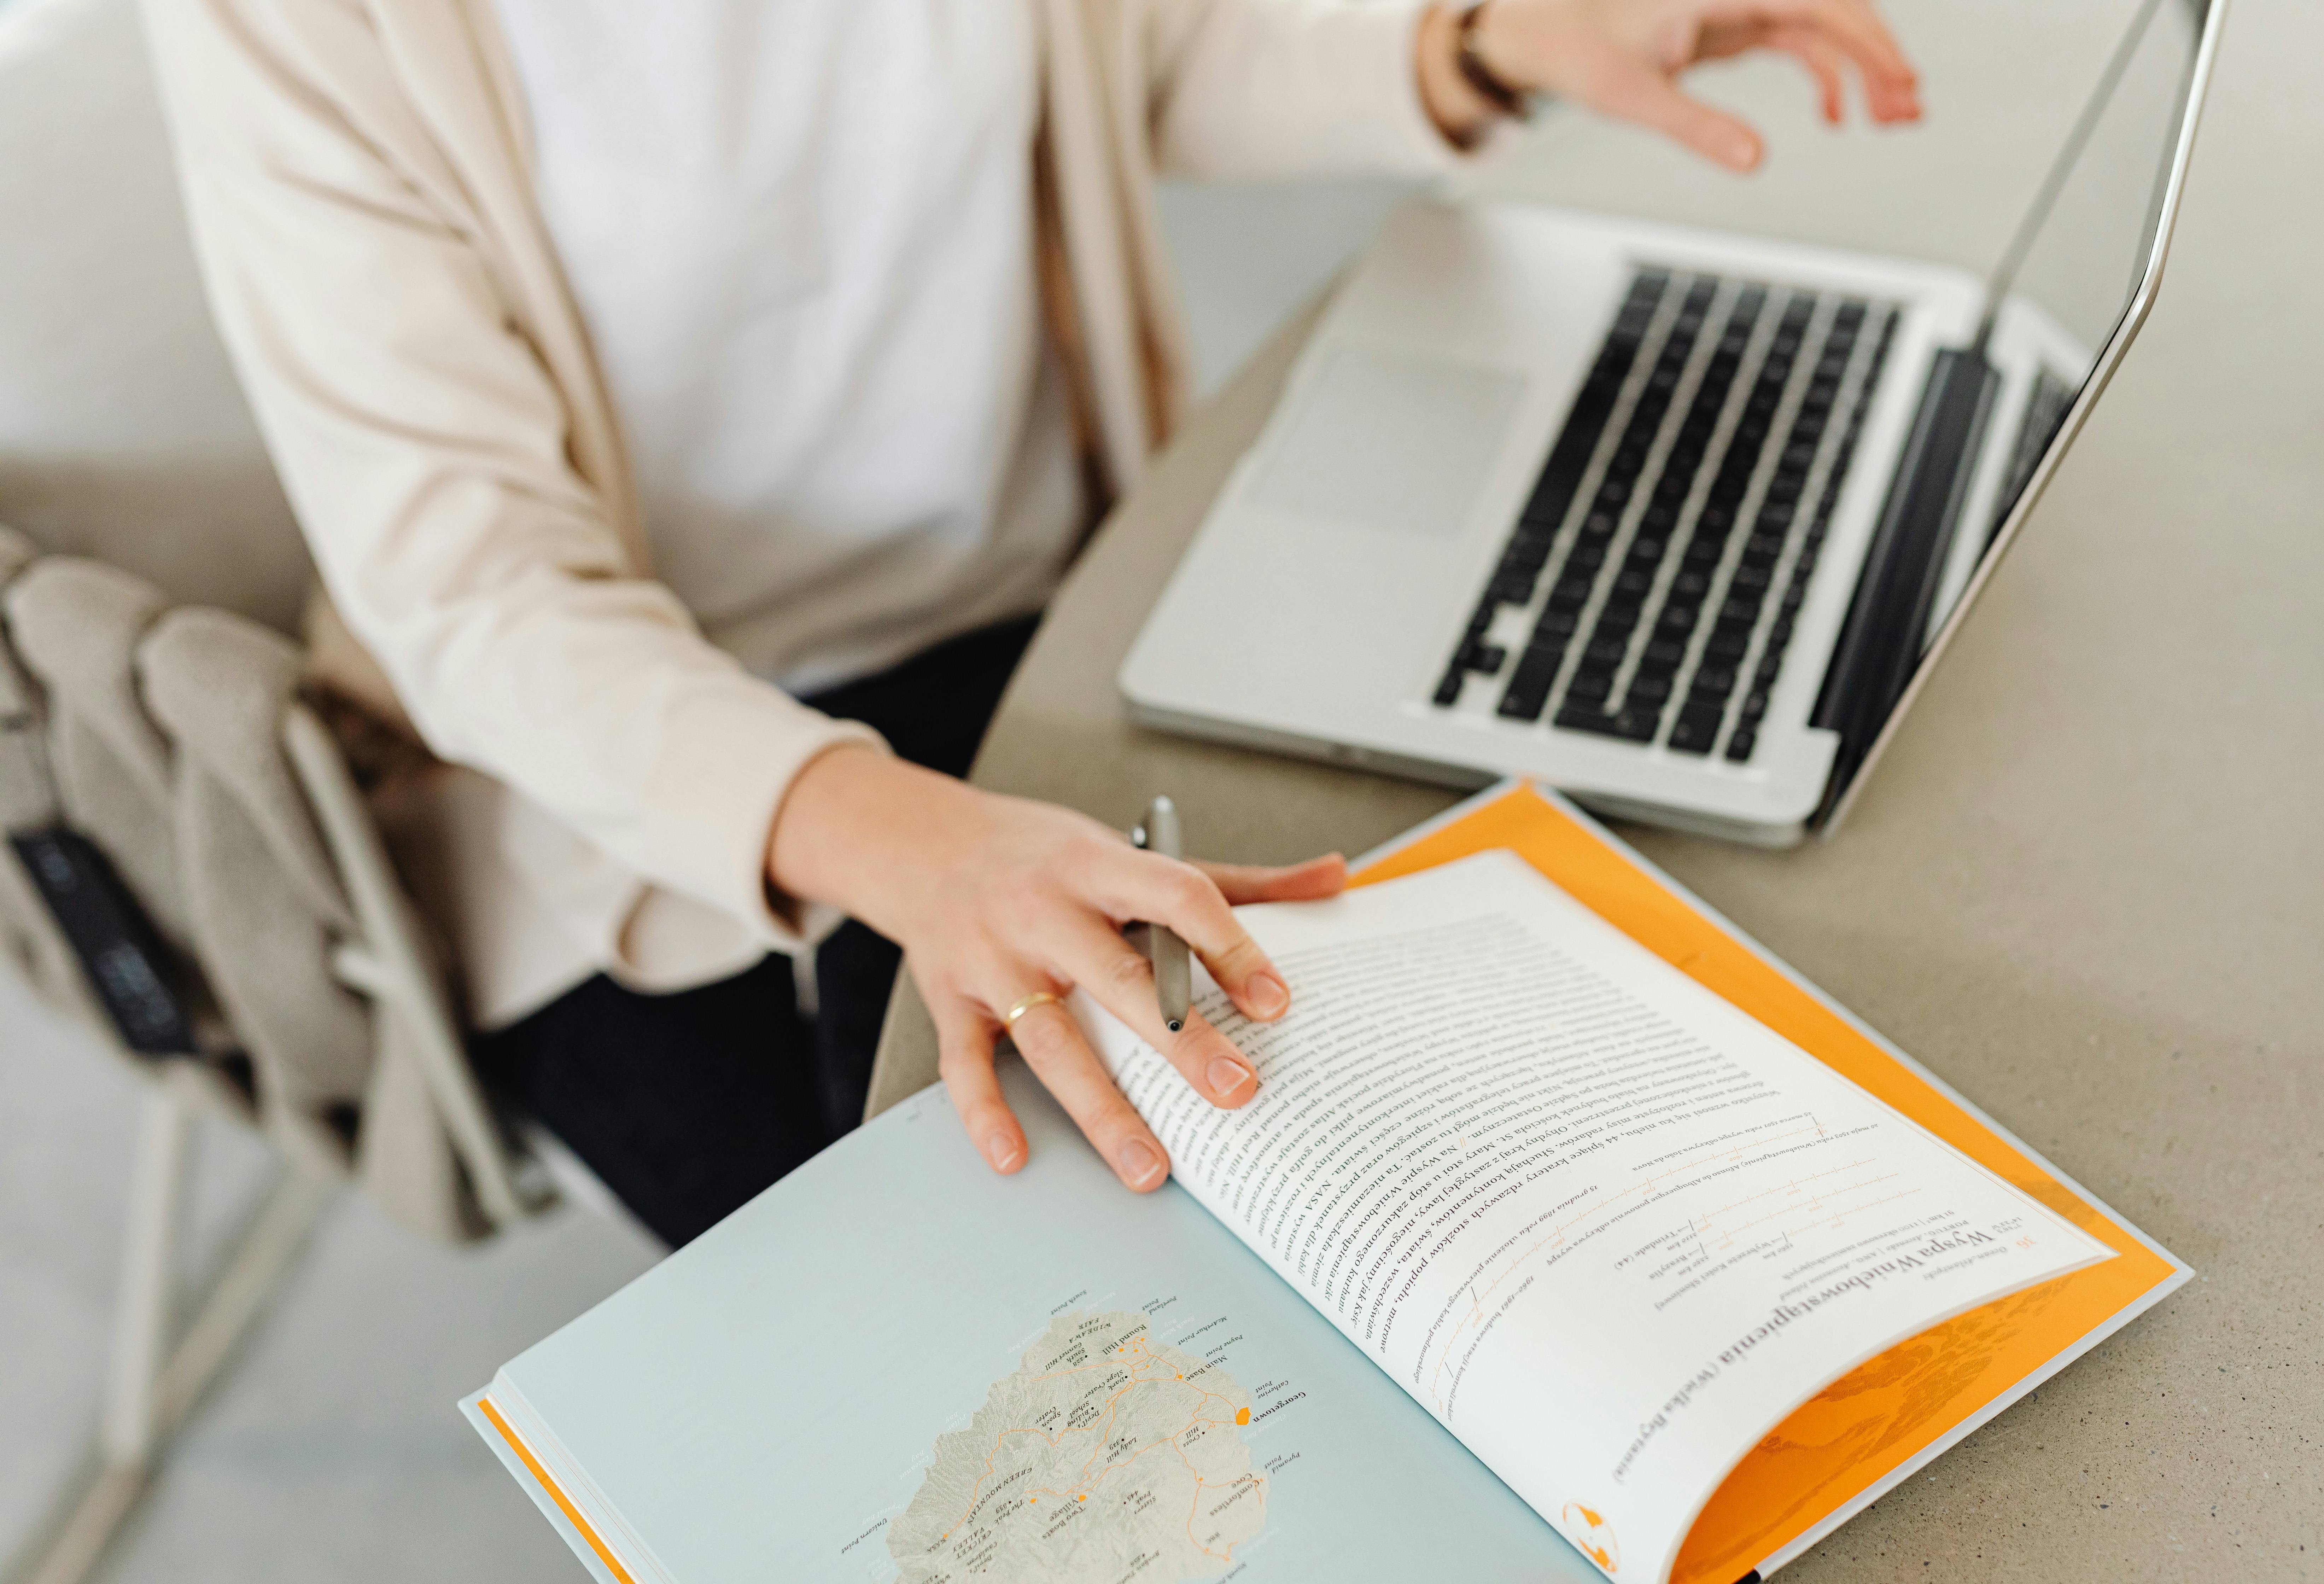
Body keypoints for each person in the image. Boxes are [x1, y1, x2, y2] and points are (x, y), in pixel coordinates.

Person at [144, 0, 1919, 1247]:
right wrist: (902, 838)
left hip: (1051, 612)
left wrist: (1463, 43)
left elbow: (1132, 46)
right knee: (1056, 1338)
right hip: (626, 809)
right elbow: (472, 594)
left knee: (1465, 1086)